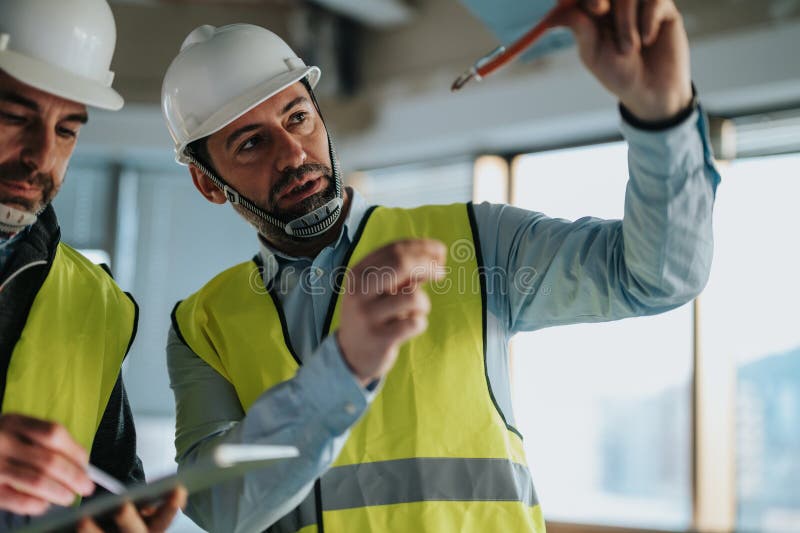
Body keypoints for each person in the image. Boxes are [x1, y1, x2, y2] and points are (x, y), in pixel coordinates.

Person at [161, 0, 720, 531]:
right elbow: (219, 507)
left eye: (298, 117)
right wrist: (346, 369)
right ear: (209, 183)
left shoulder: (473, 246)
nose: (293, 153)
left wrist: (660, 120)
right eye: (252, 143)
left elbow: (654, 277)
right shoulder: (201, 325)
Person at [0, 0, 186, 530]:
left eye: (67, 130)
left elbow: (107, 481)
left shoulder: (93, 303)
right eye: (14, 116)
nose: (41, 155)